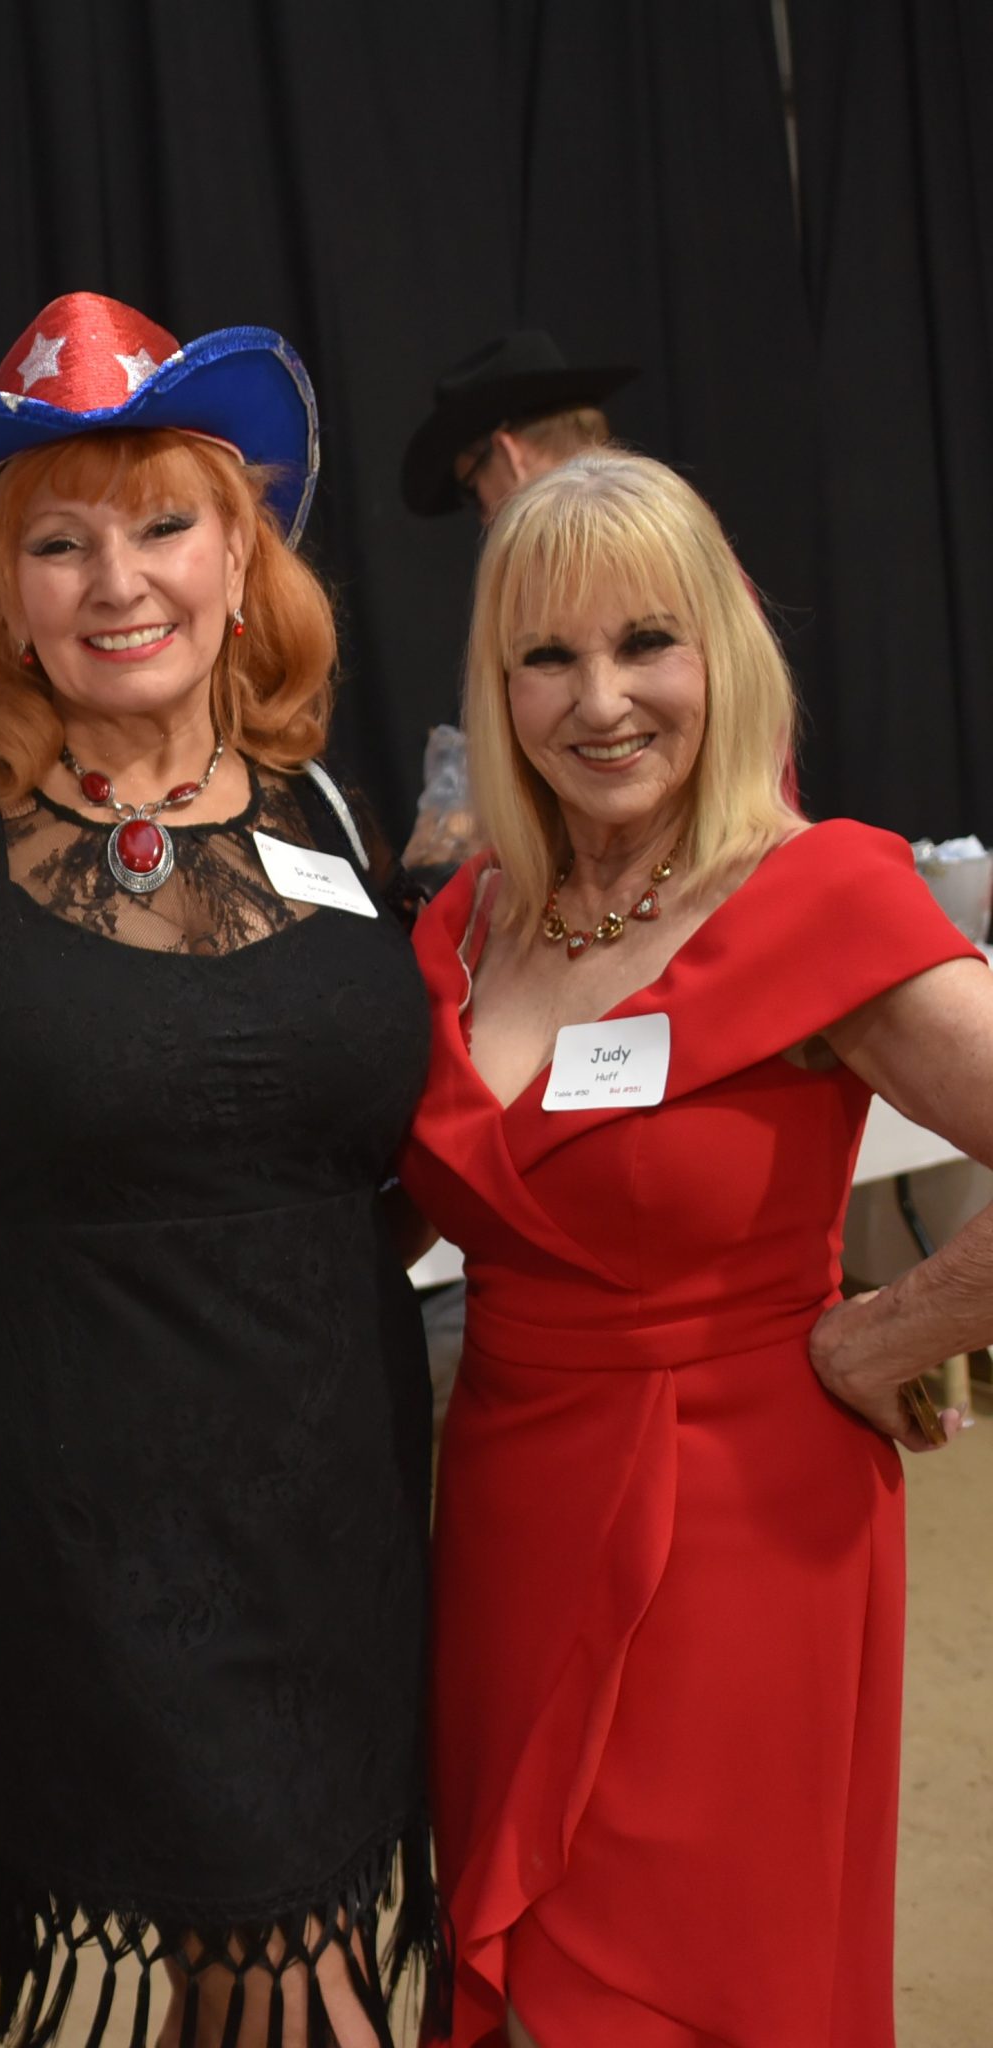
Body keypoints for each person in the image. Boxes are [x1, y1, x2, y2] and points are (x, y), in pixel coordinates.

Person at [0, 294, 443, 2048]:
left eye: (162, 523)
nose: (116, 580)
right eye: (59, 539)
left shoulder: (319, 812)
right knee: (283, 1970)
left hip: (334, 1483)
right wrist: (93, 1264)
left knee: (272, 1938)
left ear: (238, 549)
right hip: (89, 1508)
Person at [398, 450, 993, 2048]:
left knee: (699, 1986)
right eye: (549, 656)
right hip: (511, 1514)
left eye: (646, 643)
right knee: (518, 1982)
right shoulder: (466, 924)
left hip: (743, 1539)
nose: (603, 701)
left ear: (724, 655)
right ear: (498, 684)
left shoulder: (816, 897)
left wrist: (887, 1333)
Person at [400, 329, 635, 524]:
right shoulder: (660, 517)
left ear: (509, 454)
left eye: (475, 494)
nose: (485, 521)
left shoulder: (551, 569)